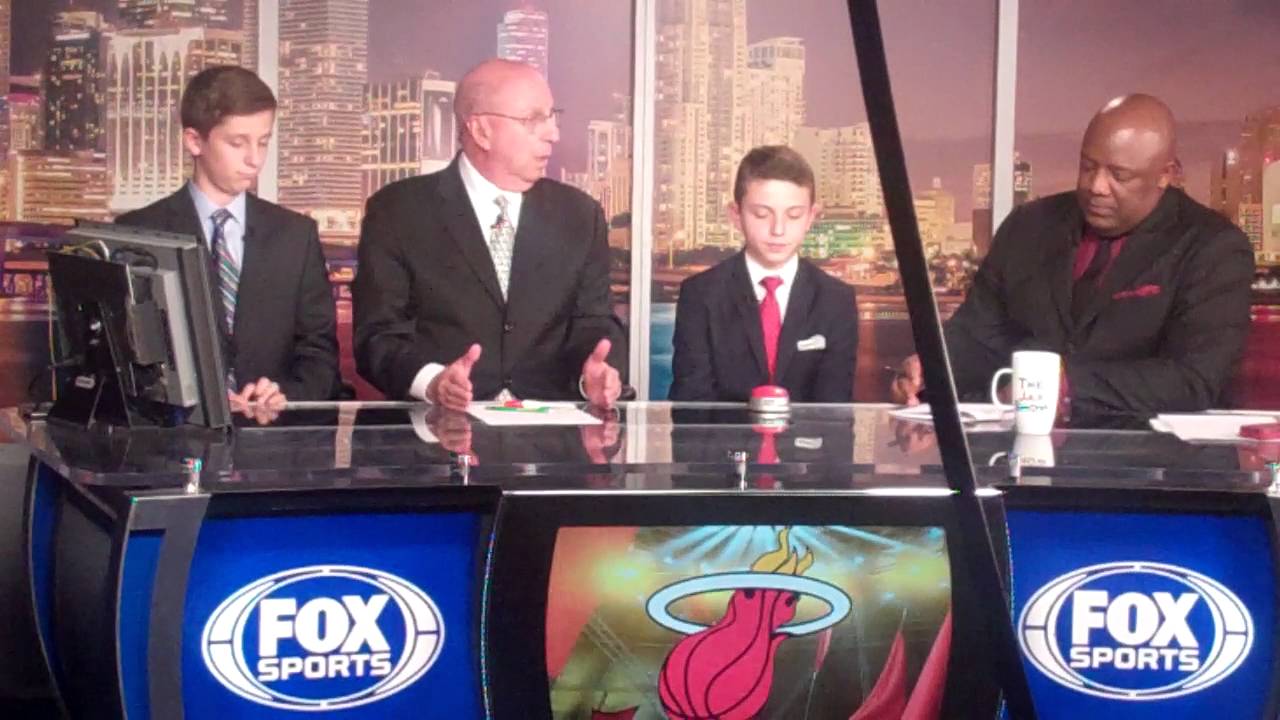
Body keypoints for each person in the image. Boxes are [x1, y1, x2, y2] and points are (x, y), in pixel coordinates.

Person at [892, 94, 1253, 415]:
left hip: (1152, 464)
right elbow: (977, 335)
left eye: (1119, 175)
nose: (1096, 187)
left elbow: (1194, 379)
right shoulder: (1028, 225)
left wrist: (1066, 385)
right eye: (1088, 166)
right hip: (1018, 454)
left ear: (1166, 175)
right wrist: (932, 367)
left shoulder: (1213, 247)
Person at [353, 58, 625, 410]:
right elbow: (378, 335)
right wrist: (433, 382)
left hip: (548, 445)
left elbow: (594, 322)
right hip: (433, 443)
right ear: (481, 131)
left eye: (553, 116)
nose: (553, 133)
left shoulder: (579, 215)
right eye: (533, 120)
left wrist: (590, 376)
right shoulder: (398, 211)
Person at [116, 65, 340, 420]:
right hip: (173, 445)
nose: (255, 159)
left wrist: (284, 395)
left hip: (273, 450)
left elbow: (320, 355)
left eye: (263, 141)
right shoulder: (137, 233)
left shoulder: (296, 236)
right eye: (237, 143)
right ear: (194, 141)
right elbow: (124, 358)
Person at [669, 145, 858, 402]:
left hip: (805, 442)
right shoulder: (701, 294)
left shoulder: (836, 300)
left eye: (793, 215)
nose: (778, 230)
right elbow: (691, 407)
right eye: (761, 214)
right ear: (736, 215)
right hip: (726, 442)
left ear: (811, 216)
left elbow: (834, 413)